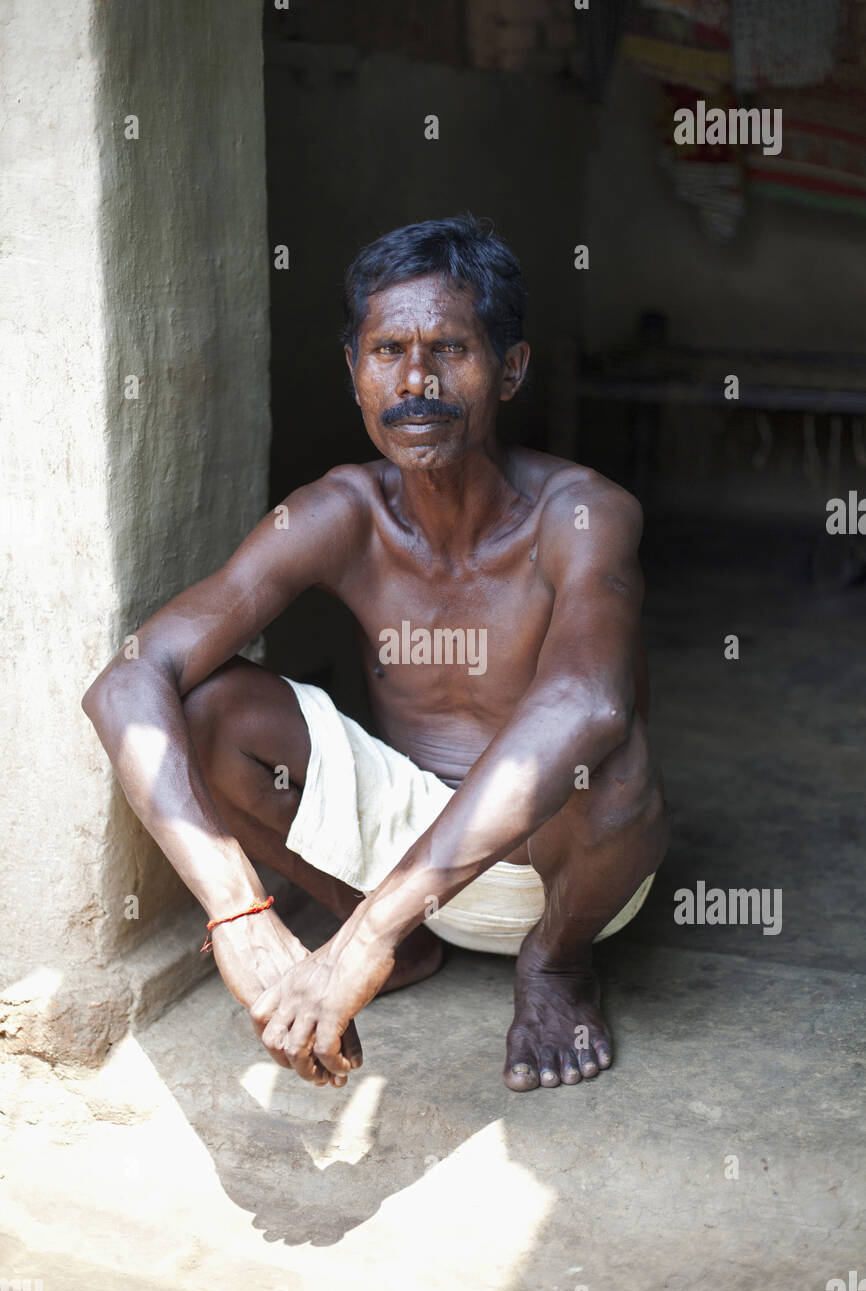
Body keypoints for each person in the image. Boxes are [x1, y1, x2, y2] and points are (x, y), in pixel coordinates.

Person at [82, 215, 669, 1093]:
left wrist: (361, 941)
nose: (416, 381)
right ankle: (408, 940)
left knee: (611, 762)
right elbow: (128, 680)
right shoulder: (339, 514)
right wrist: (237, 911)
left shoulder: (584, 514)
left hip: (558, 868)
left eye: (450, 350)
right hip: (398, 862)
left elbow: (588, 702)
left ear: (509, 370)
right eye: (387, 350)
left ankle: (554, 967)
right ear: (353, 371)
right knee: (206, 708)